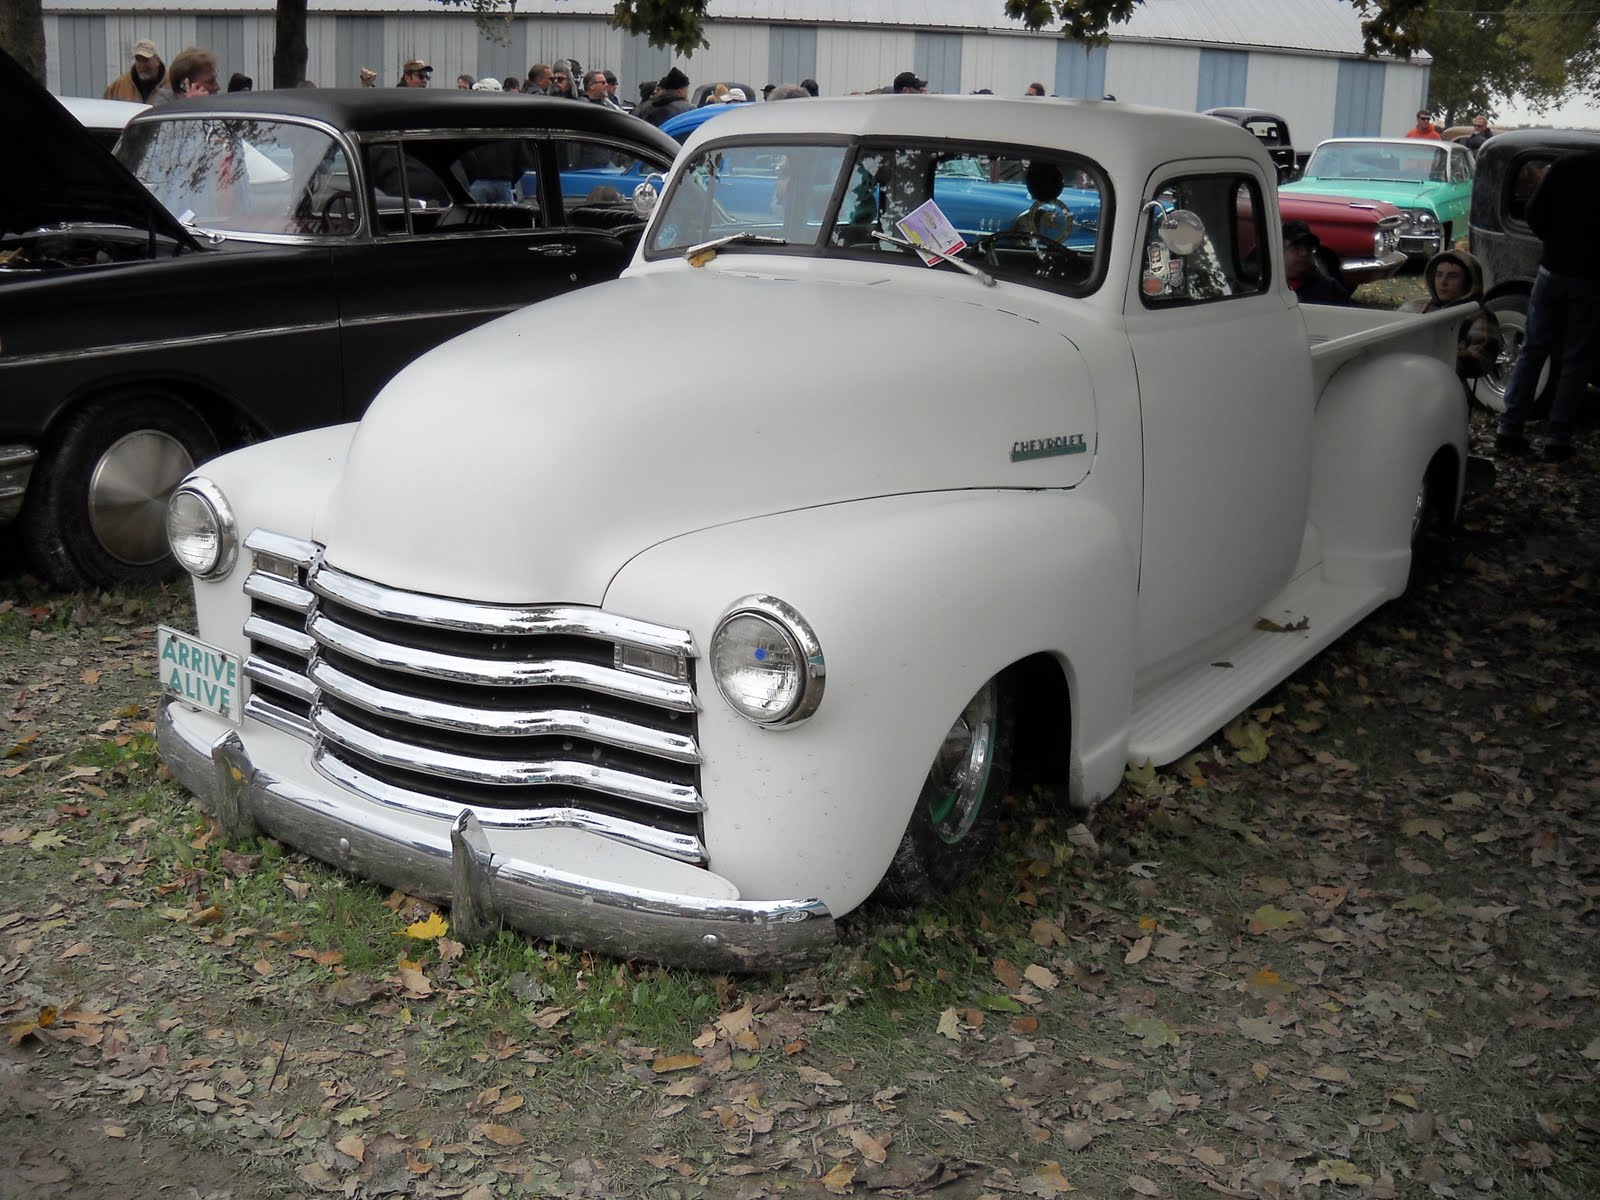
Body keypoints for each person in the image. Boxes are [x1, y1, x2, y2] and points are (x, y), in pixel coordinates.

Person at [1495, 151, 1600, 462]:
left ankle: (1509, 428)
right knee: (1577, 357)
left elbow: (1533, 210)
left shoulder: (1569, 164)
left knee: (1533, 348)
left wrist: (1554, 243)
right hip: (1591, 278)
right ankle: (1557, 438)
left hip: (1551, 269)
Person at [1400, 249, 1503, 384]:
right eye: (1439, 275)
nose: (1443, 282)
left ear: (1469, 281)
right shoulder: (1415, 307)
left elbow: (1479, 359)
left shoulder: (1479, 315)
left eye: (1452, 276)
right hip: (1405, 379)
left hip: (1449, 387)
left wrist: (1431, 357)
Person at [1282, 221, 1352, 305]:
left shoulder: (1330, 290)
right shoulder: (1266, 289)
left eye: (1308, 248)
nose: (1304, 253)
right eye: (1296, 248)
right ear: (1279, 252)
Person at [104, 38, 169, 104]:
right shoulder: (119, 86)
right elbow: (106, 107)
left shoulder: (172, 84)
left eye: (145, 60)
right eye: (138, 60)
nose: (142, 66)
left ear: (157, 60)